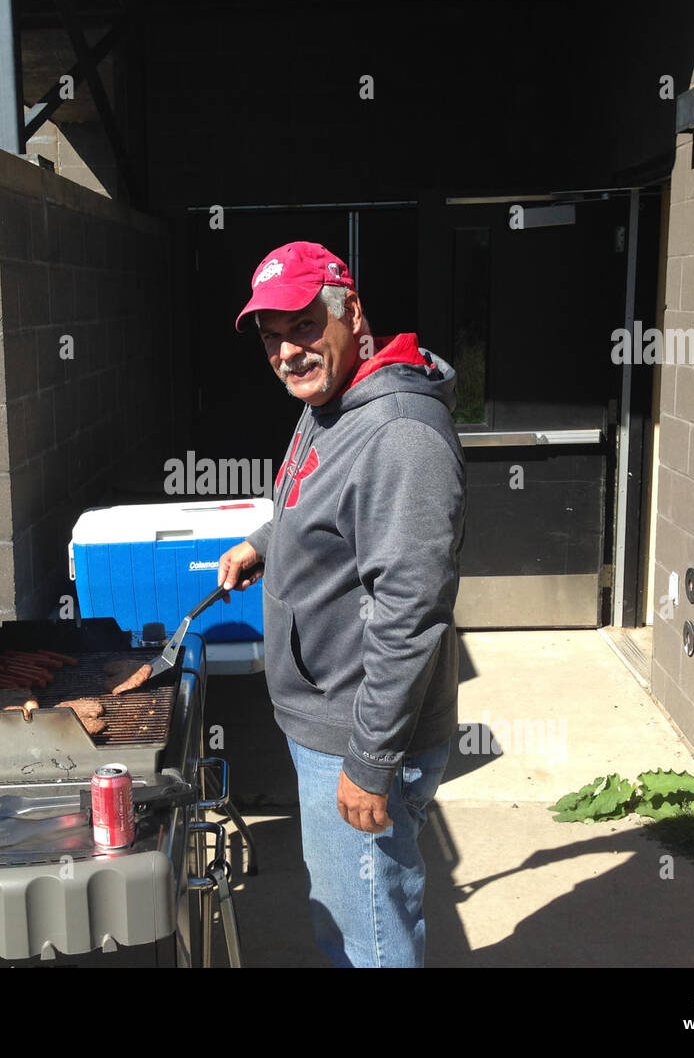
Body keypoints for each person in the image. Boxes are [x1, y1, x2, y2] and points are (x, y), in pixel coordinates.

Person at [217, 240, 466, 968]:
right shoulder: (333, 403)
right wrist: (264, 540)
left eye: (301, 326)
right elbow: (317, 499)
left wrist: (370, 759)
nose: (288, 352)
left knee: (369, 937)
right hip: (329, 724)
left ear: (349, 310)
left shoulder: (398, 435)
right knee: (349, 918)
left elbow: (409, 613)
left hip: (358, 735)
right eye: (272, 338)